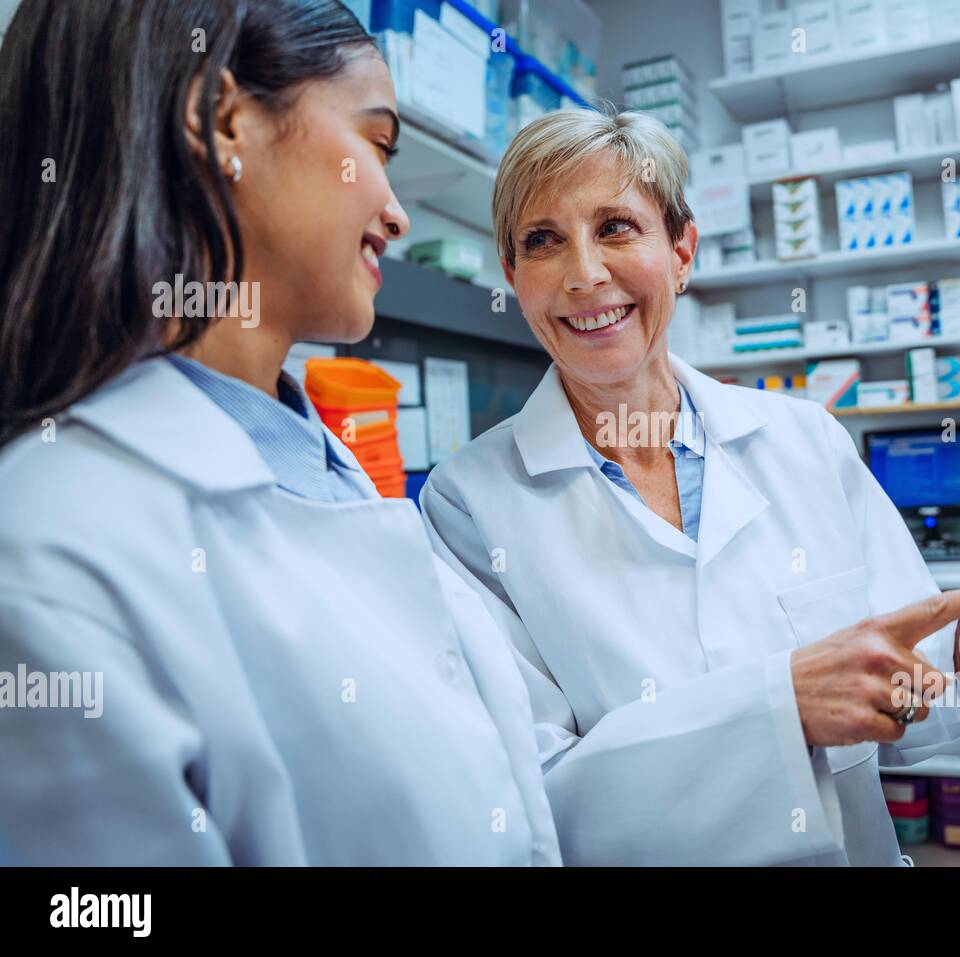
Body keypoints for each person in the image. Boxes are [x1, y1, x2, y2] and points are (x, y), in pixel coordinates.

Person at [421, 108, 960, 866]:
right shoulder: (468, 503)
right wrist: (782, 709)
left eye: (615, 227)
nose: (584, 274)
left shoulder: (804, 441)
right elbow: (529, 796)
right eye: (543, 240)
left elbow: (908, 683)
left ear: (681, 251)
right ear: (513, 276)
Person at [0, 0, 559, 865]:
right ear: (224, 122)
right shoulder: (51, 550)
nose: (397, 212)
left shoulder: (320, 466)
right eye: (376, 146)